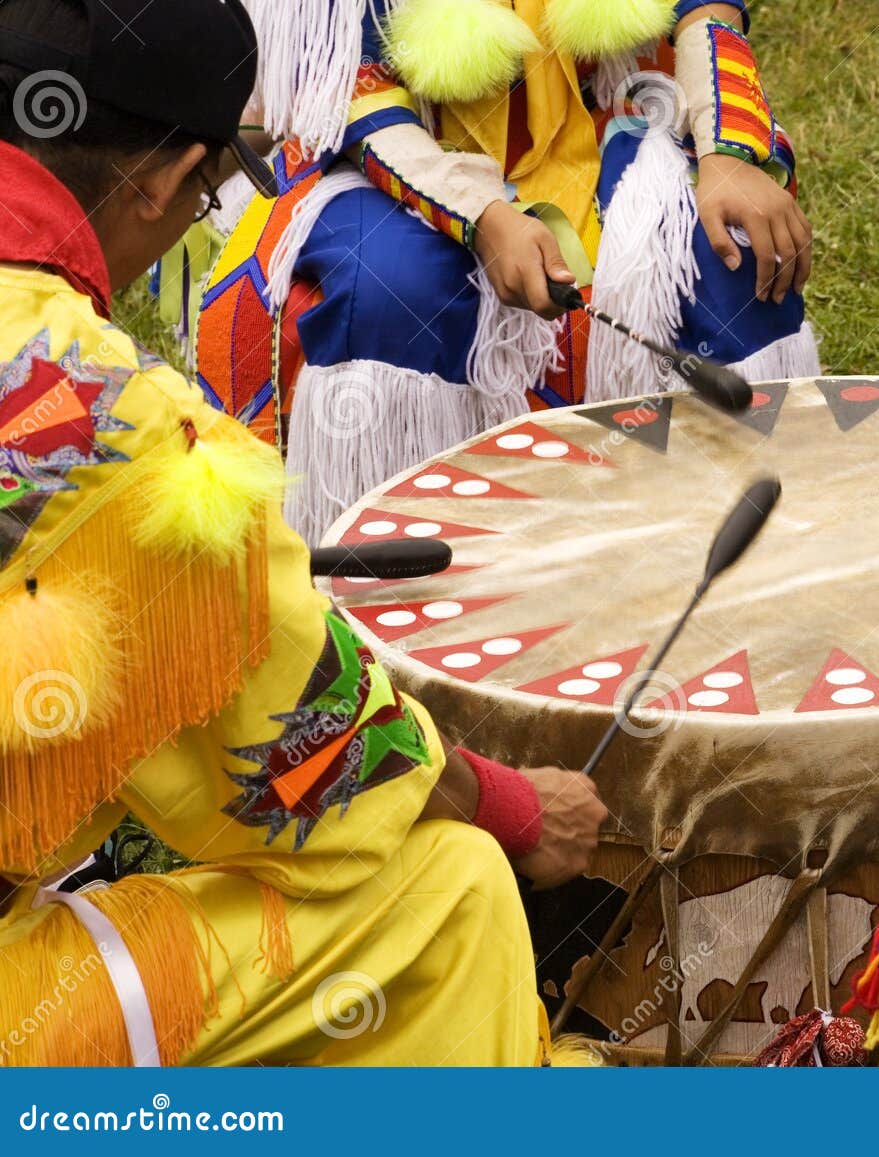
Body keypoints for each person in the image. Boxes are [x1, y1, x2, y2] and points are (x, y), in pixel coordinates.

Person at [0, 0, 606, 1066]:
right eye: (201, 195)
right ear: (161, 176)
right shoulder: (99, 420)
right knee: (444, 889)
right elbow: (300, 743)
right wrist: (509, 803)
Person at [196, 0, 819, 543]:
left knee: (725, 257)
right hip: (393, 139)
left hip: (608, 102)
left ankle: (724, 543)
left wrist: (728, 155)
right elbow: (358, 93)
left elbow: (705, 9)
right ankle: (388, 577)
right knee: (396, 294)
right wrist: (481, 218)